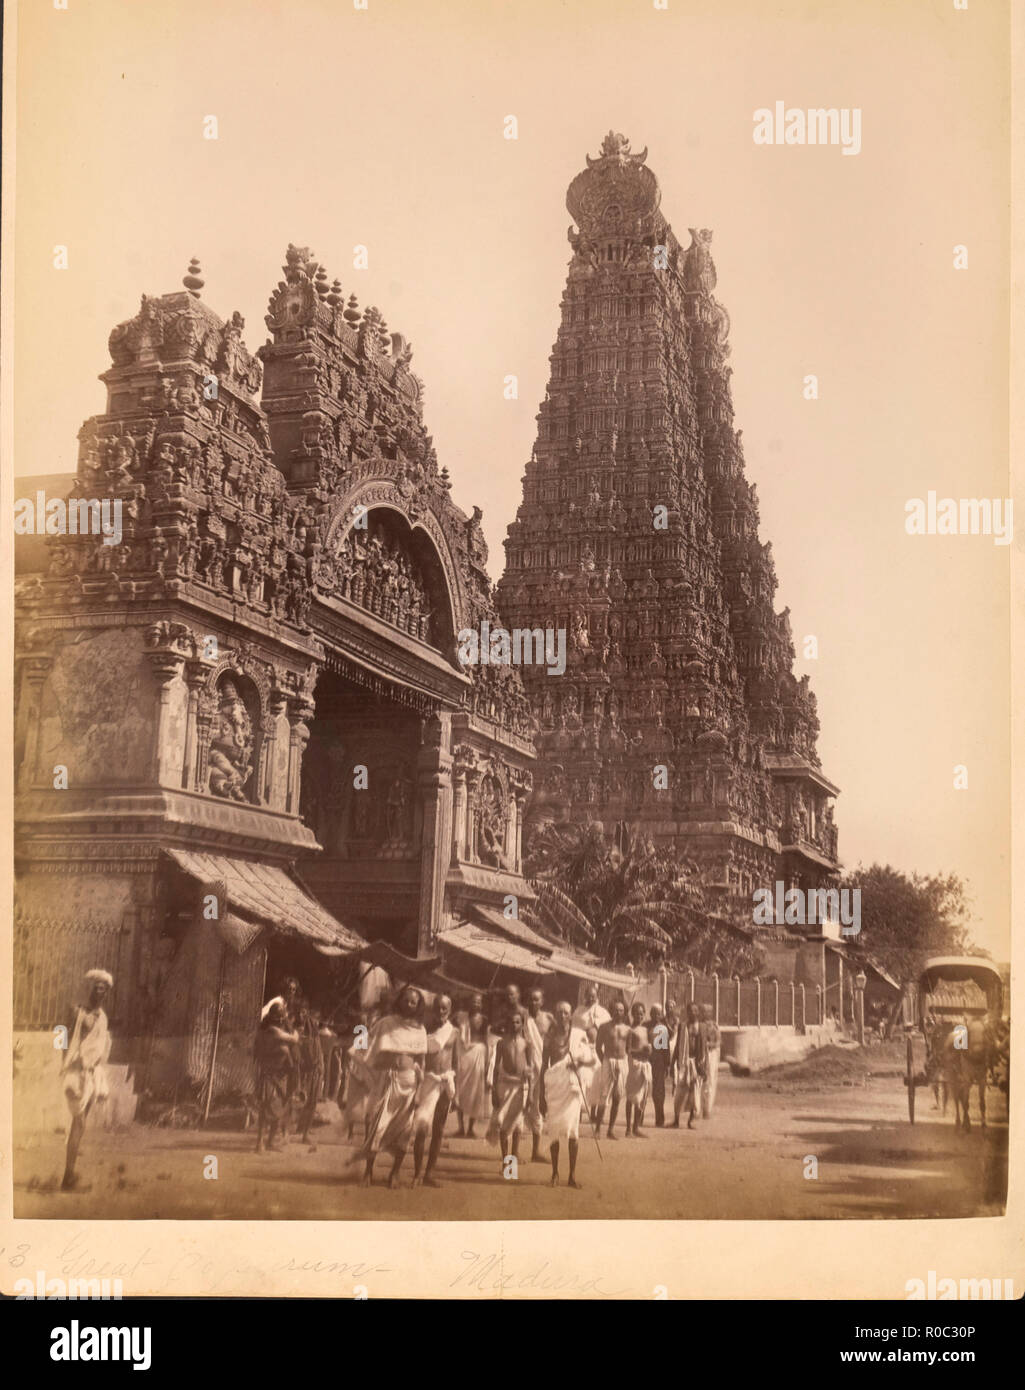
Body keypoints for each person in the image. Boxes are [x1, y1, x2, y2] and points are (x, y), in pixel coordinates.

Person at [355, 986, 427, 1187]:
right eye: (406, 1000)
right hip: (387, 1082)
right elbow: (367, 1044)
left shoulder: (420, 1030)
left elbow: (422, 1063)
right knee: (377, 1126)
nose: (409, 1004)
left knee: (404, 1131)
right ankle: (368, 1171)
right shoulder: (386, 1023)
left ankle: (394, 1173)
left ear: (418, 1005)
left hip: (409, 1085)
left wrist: (419, 1092)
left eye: (414, 1001)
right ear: (400, 1001)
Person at [59, 969, 114, 1191]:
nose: (99, 992)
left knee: (79, 1126)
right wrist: (64, 1062)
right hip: (74, 1073)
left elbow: (101, 1046)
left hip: (92, 1075)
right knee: (79, 1122)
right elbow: (61, 1035)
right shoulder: (76, 1012)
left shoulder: (103, 1018)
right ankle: (68, 1178)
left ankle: (69, 1175)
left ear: (106, 993)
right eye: (96, 987)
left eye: (103, 989)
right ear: (89, 988)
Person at [540, 1001, 598, 1188]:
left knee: (573, 1132)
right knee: (554, 1131)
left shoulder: (579, 1036)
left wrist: (579, 1063)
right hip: (555, 1087)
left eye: (566, 1012)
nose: (562, 1016)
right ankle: (555, 1173)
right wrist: (541, 1093)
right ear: (555, 1015)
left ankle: (572, 1175)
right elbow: (543, 1066)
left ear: (571, 1015)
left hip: (572, 1088)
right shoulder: (549, 1037)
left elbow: (592, 1061)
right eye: (559, 1012)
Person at [412, 995, 457, 1188]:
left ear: (450, 1011)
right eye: (437, 1008)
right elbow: (417, 1056)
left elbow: (456, 1061)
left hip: (446, 1081)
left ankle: (429, 1173)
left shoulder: (453, 1032)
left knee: (438, 1130)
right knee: (422, 1128)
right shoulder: (424, 1029)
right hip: (429, 1081)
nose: (440, 1012)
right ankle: (416, 1173)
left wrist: (457, 1090)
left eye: (444, 1009)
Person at [486, 1011, 535, 1171]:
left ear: (522, 1024)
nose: (514, 1026)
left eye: (517, 1022)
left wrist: (531, 1095)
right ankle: (505, 1160)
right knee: (501, 1122)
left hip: (521, 1087)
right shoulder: (501, 1043)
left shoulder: (527, 1044)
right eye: (512, 1022)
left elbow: (531, 1070)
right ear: (508, 1024)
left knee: (517, 1126)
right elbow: (495, 1068)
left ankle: (511, 1166)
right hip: (504, 1085)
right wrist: (493, 1090)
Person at [254, 998, 299, 1154]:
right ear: (273, 1017)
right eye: (279, 1017)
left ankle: (271, 1141)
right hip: (270, 1074)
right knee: (266, 1110)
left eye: (282, 1016)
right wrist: (294, 1034)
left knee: (280, 1110)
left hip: (282, 1075)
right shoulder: (271, 1030)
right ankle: (260, 1142)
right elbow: (294, 1038)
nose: (281, 1019)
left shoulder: (283, 1027)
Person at [454, 992, 490, 1138]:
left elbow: (487, 1040)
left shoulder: (485, 1020)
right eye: (473, 1001)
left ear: (482, 1004)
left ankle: (471, 1128)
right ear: (469, 1003)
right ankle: (460, 1127)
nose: (476, 1004)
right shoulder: (462, 1018)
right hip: (464, 1055)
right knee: (460, 1091)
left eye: (479, 1002)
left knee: (476, 1092)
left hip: (478, 1054)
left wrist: (487, 1062)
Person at [525, 989, 554, 1161]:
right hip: (525, 1068)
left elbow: (561, 1034)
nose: (533, 1002)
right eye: (530, 999)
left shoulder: (548, 1018)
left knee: (536, 1108)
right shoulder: (522, 1018)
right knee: (516, 1111)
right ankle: (510, 1162)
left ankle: (535, 1152)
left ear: (542, 1001)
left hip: (541, 1066)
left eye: (536, 999)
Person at [594, 1000, 630, 1138]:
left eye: (621, 1010)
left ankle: (610, 1130)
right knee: (604, 1095)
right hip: (608, 1061)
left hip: (623, 1062)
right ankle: (597, 1129)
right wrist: (604, 1061)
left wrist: (625, 1064)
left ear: (624, 1012)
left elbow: (629, 1049)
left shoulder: (627, 1029)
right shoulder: (604, 1027)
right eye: (615, 1009)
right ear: (611, 1010)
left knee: (617, 1096)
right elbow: (598, 1047)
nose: (618, 1012)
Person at [672, 1002, 706, 1129]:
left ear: (698, 1012)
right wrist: (673, 1063)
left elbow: (704, 1049)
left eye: (696, 1010)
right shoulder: (682, 1026)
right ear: (687, 1012)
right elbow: (677, 1046)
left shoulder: (702, 1027)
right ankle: (676, 1120)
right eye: (691, 1011)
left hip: (697, 1063)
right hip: (684, 1062)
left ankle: (690, 1121)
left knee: (694, 1092)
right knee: (680, 1092)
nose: (694, 1013)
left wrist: (704, 1067)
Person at [626, 1002, 652, 1137]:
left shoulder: (646, 1030)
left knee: (642, 1097)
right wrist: (641, 1050)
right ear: (632, 1015)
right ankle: (628, 1129)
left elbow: (649, 1047)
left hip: (645, 1063)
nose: (640, 1016)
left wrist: (649, 1050)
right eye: (637, 1013)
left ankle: (636, 1127)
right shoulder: (630, 1030)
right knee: (631, 1097)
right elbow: (628, 1049)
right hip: (634, 1064)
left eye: (642, 1013)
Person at [648, 1004, 670, 1127]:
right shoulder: (645, 1026)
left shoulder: (663, 1028)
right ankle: (638, 1118)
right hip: (646, 1060)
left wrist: (667, 1064)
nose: (656, 1016)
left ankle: (659, 1118)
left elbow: (665, 1048)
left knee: (659, 1091)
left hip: (659, 1062)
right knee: (644, 1089)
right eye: (654, 1013)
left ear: (661, 1015)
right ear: (650, 1014)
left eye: (659, 1013)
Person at [700, 1003, 721, 1119]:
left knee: (709, 1081)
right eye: (703, 1011)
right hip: (700, 1054)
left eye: (707, 1011)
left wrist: (708, 1044)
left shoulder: (714, 1026)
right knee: (699, 1081)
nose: (704, 1013)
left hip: (710, 1054)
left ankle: (707, 1109)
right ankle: (697, 1108)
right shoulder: (698, 1025)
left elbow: (718, 1042)